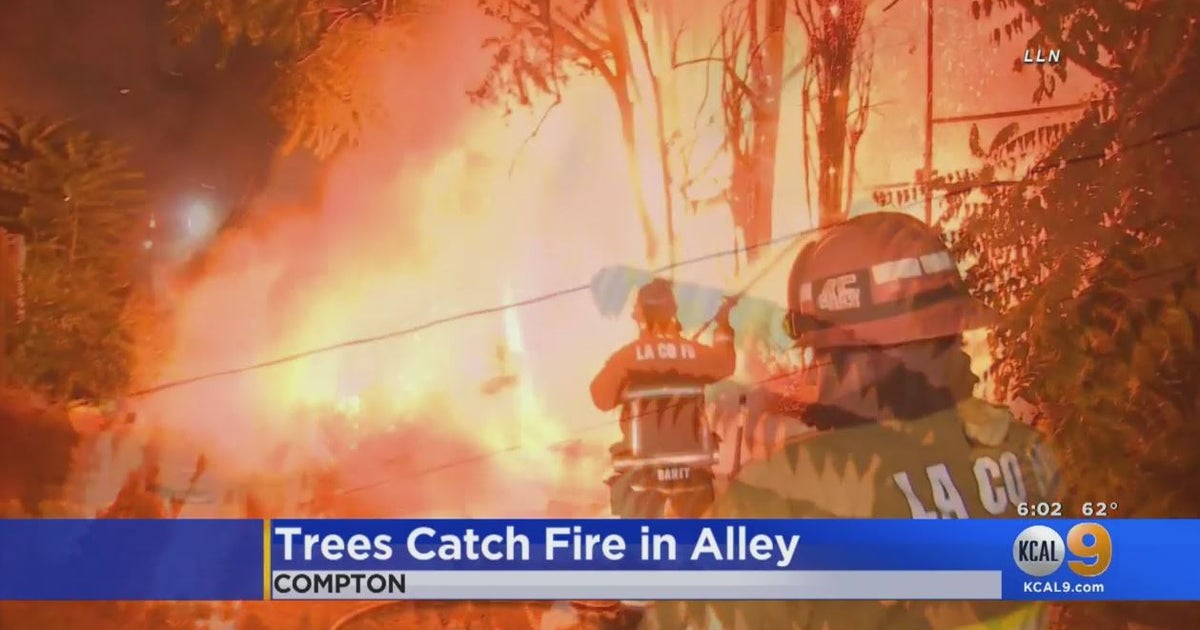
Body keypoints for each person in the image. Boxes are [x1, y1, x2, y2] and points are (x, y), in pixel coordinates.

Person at [640, 212, 1061, 630]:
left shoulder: (782, 498)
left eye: (819, 354)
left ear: (851, 360)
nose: (815, 374)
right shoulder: (1032, 454)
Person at [590, 277, 737, 520]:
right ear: (672, 313)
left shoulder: (626, 359)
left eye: (634, 311)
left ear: (640, 316)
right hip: (693, 474)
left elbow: (600, 398)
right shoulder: (695, 353)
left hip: (641, 478)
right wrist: (723, 323)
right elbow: (725, 364)